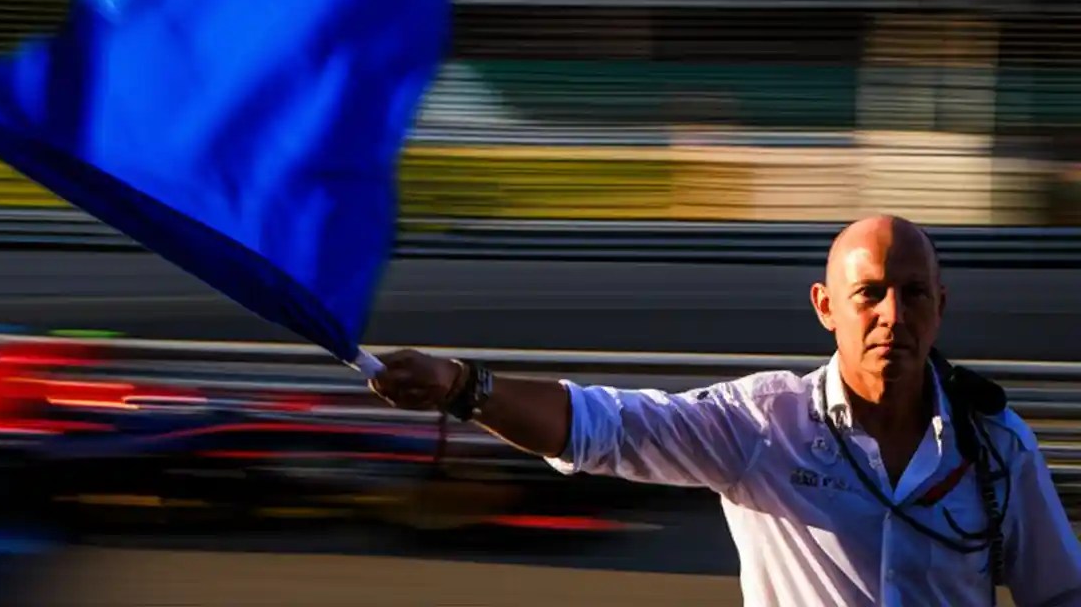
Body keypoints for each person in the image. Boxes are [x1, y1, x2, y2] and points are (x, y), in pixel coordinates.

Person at [366, 214, 1081, 606]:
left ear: (942, 306)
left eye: (915, 292)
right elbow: (603, 424)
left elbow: (1058, 593)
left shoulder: (995, 446)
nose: (893, 314)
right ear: (826, 308)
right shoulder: (762, 423)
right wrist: (464, 387)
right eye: (870, 294)